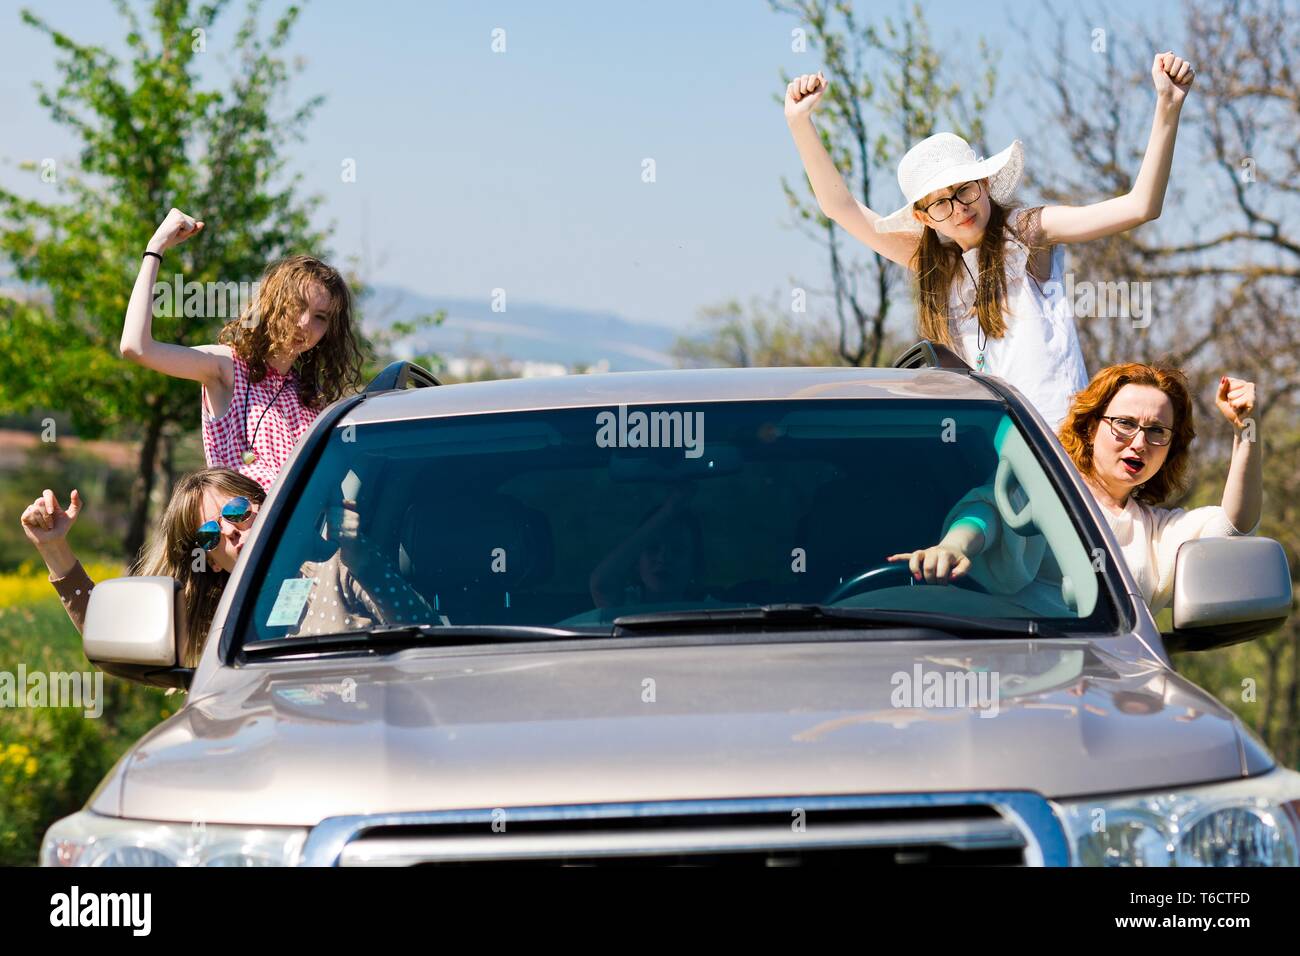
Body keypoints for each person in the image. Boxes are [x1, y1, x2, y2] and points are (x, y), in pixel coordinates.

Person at [784, 52, 1195, 430]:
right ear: (924, 218)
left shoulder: (1027, 231)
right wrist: (800, 122)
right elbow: (840, 208)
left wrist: (1168, 106)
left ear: (984, 182)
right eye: (940, 203)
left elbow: (1140, 206)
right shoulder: (936, 265)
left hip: (1059, 439)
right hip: (992, 440)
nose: (959, 208)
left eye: (964, 190)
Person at [888, 364, 1262, 616]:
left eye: (1156, 431)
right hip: (1016, 669)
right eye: (1124, 424)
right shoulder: (1045, 489)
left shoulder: (1155, 531)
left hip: (1114, 686)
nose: (1139, 443)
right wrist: (953, 546)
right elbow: (990, 512)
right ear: (1090, 428)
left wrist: (1246, 430)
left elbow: (1233, 527)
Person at [119, 208, 364, 489]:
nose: (304, 323)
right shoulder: (228, 367)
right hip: (238, 517)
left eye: (320, 317)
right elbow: (135, 347)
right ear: (273, 303)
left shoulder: (312, 400)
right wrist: (156, 247)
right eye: (298, 306)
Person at [20, 468, 266, 668]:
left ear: (263, 503)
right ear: (212, 562)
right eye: (209, 535)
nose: (229, 531)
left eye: (236, 510)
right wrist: (53, 548)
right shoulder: (229, 627)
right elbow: (113, 633)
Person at [589, 487, 704, 609]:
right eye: (652, 548)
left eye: (678, 550)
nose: (663, 558)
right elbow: (601, 585)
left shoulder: (711, 611)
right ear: (636, 562)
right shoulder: (624, 606)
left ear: (694, 563)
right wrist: (668, 511)